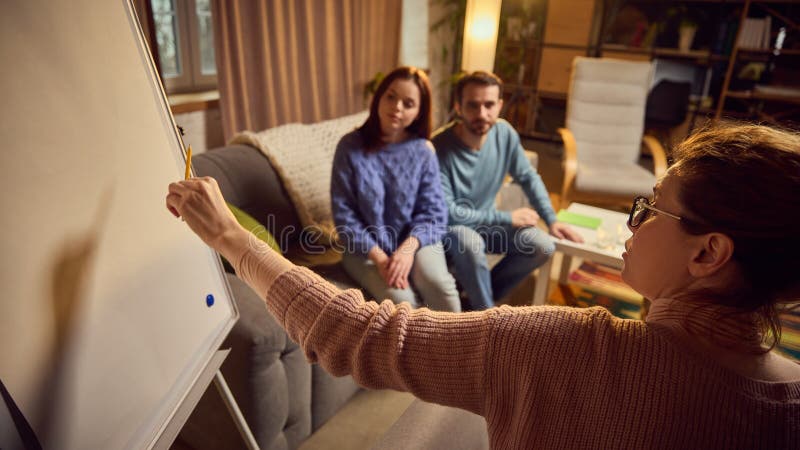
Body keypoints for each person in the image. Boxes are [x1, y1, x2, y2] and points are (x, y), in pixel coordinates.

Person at [167, 122, 800, 448]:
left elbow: (358, 333)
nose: (632, 222)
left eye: (650, 209)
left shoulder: (559, 349)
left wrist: (230, 238)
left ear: (710, 252)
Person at [432, 71, 583, 311]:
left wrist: (551, 219)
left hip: (486, 226)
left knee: (542, 245)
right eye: (472, 105)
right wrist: (507, 217)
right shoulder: (437, 148)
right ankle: (487, 317)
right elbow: (450, 214)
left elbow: (528, 177)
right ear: (458, 107)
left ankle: (476, 304)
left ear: (500, 105)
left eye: (489, 105)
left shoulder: (504, 133)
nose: (482, 114)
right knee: (468, 241)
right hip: (449, 232)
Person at [329, 66, 460, 312]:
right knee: (404, 303)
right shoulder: (349, 147)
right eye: (391, 96)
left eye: (408, 103)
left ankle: (465, 347)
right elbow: (344, 216)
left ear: (419, 112)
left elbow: (434, 213)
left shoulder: (423, 151)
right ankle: (423, 351)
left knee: (440, 285)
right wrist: (380, 258)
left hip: (415, 240)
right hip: (364, 249)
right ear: (379, 97)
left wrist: (407, 250)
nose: (397, 106)